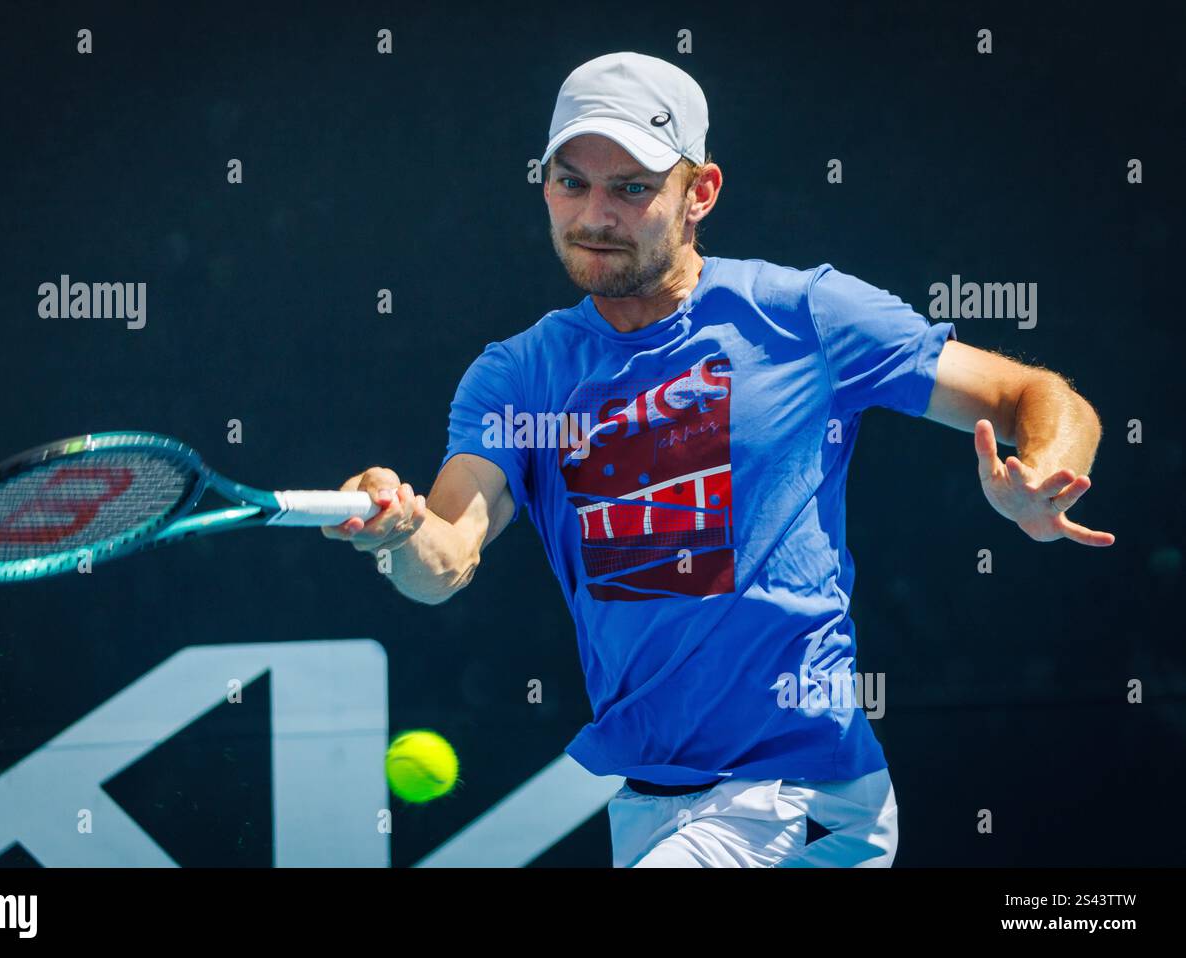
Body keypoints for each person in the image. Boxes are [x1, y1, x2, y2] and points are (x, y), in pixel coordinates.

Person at [324, 52, 1113, 867]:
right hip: (649, 807)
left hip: (801, 798)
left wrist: (1043, 475)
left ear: (699, 193)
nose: (595, 213)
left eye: (631, 187)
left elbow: (1037, 395)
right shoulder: (517, 375)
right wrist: (399, 533)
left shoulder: (807, 315)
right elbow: (446, 557)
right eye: (571, 182)